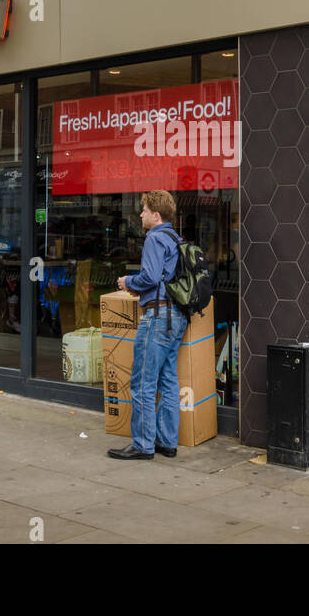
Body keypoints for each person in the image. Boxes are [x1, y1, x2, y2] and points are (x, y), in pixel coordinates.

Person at [108, 189, 188, 460]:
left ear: (156, 215)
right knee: (168, 379)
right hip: (176, 316)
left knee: (142, 381)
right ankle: (167, 442)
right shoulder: (176, 238)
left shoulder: (154, 238)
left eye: (143, 210)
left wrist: (127, 282)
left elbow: (150, 277)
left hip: (157, 316)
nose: (140, 214)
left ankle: (143, 445)